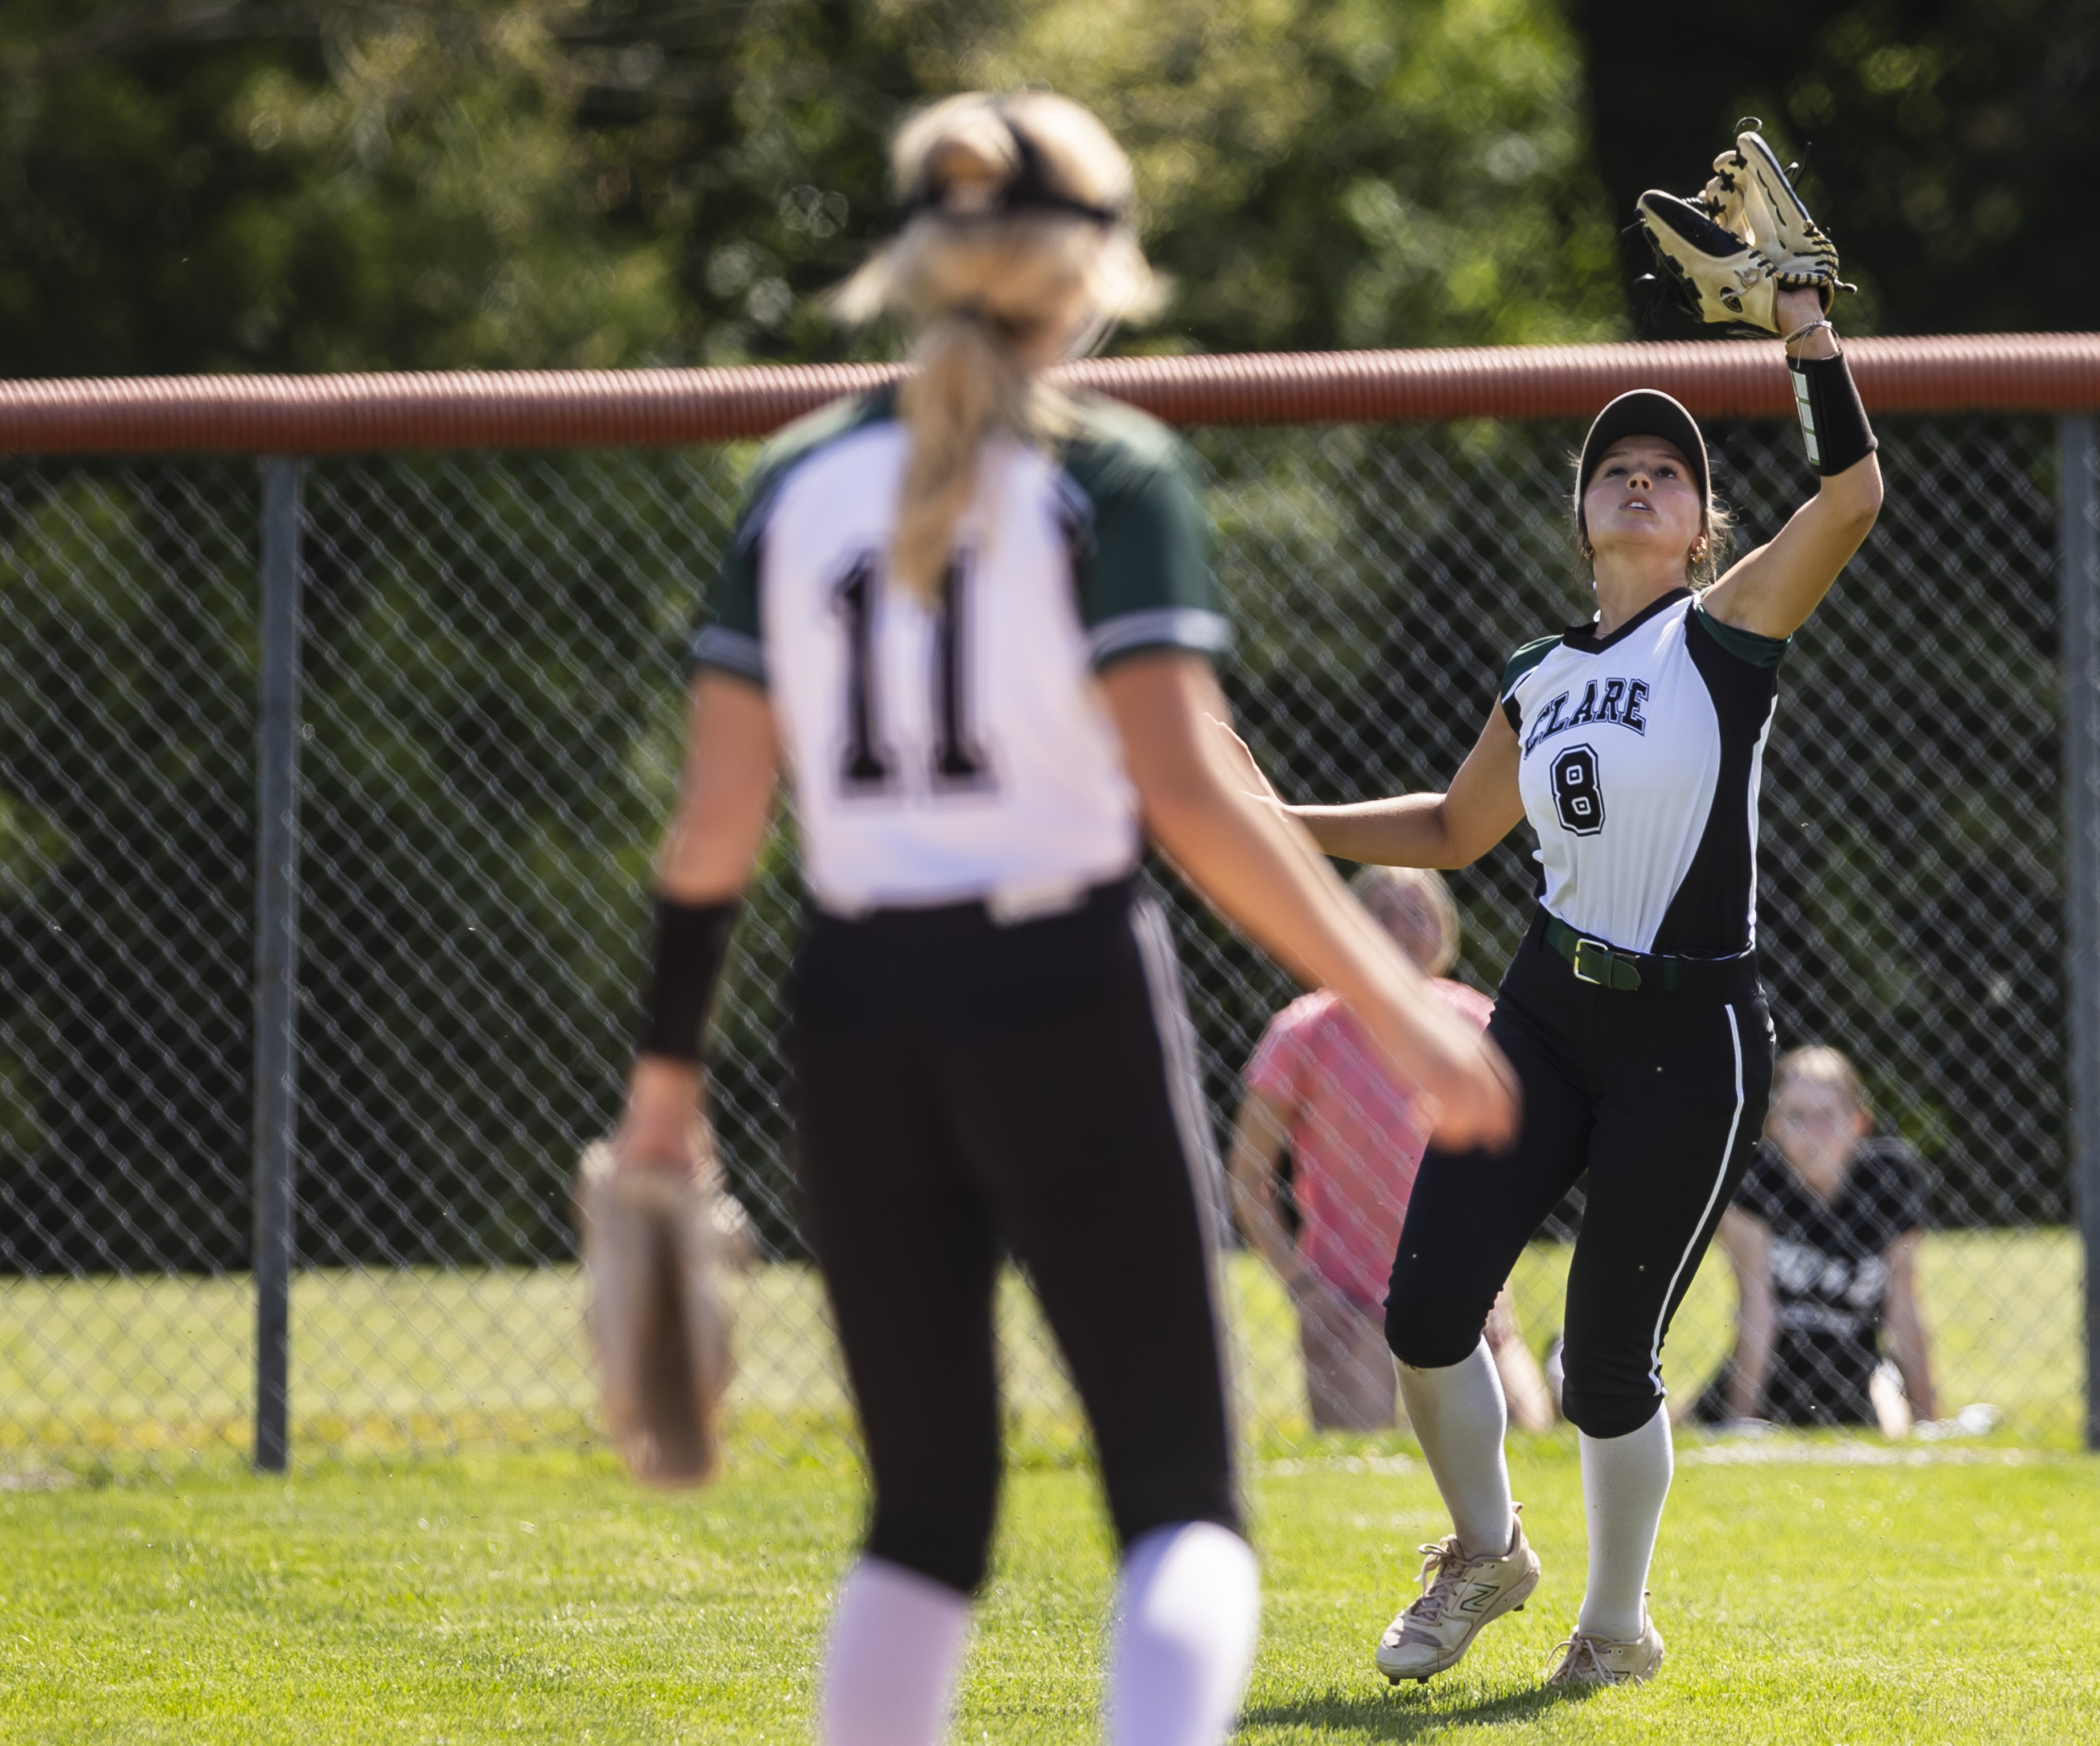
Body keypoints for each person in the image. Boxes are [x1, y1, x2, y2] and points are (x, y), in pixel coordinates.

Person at [608, 92, 1517, 1746]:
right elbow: (1184, 797)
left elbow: (712, 829)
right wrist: (1395, 1015)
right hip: (1061, 989)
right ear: (1093, 271)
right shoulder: (1111, 472)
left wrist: (665, 1090)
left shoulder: (796, 481)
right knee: (1181, 1504)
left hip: (854, 1006)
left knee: (925, 1518)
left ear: (913, 259)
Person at [1240, 158, 1885, 1686]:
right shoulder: (1538, 673)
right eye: (1615, 468)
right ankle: (1484, 1550)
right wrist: (1284, 827)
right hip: (1541, 1007)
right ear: (1584, 512)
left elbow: (1853, 493)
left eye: (1666, 470)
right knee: (1421, 1306)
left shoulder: (1724, 631)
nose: (1639, 478)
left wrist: (1802, 322)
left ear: (1700, 521)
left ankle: (1613, 1623)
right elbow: (1459, 831)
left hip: (1685, 1031)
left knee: (1604, 1359)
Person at [1227, 867, 1556, 1433]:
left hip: (1462, 1285)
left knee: (1523, 1439)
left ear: (1444, 933)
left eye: (1417, 914)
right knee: (1359, 1456)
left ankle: (1556, 1374)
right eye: (1380, 911)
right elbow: (1246, 1176)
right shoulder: (1303, 1031)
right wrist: (1304, 1287)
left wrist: (1490, 1277)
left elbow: (1520, 1168)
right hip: (1347, 1299)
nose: (1400, 928)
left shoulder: (1478, 1024)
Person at [1689, 1045, 1938, 1433]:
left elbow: (1903, 1309)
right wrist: (1743, 1421)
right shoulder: (1753, 1180)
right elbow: (1756, 1309)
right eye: (1796, 1116)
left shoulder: (1891, 1178)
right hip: (1771, 1367)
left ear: (1859, 1122)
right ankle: (1565, 1369)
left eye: (1827, 1116)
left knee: (1895, 1424)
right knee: (1679, 1429)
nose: (1812, 1134)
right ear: (1771, 1125)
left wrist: (1929, 1420)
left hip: (1860, 1372)